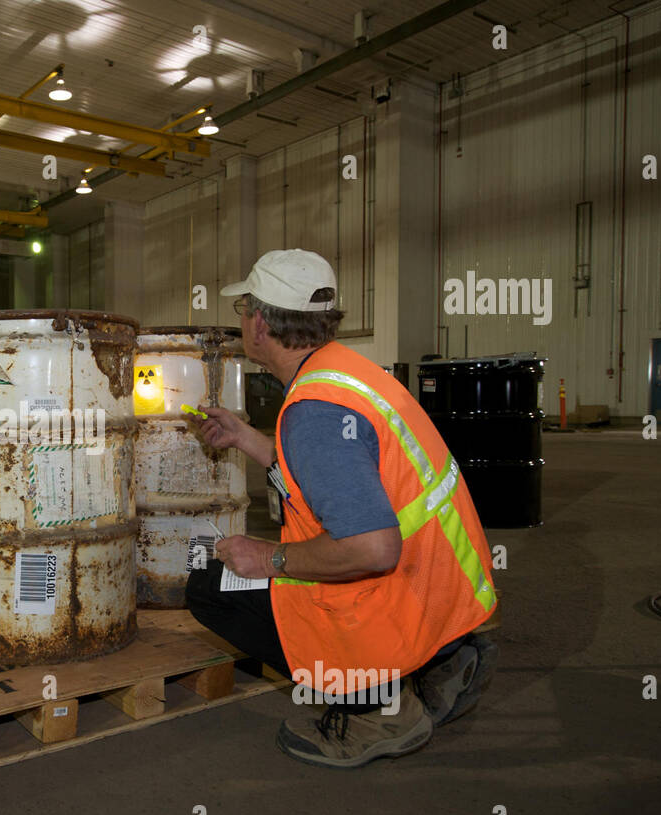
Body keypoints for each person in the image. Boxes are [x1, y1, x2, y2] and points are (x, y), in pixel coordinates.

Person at [186, 249, 499, 768]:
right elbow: (330, 475)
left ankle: (379, 710)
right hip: (442, 591)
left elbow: (370, 548)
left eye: (243, 307)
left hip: (386, 588)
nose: (241, 319)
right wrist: (247, 438)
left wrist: (270, 559)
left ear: (260, 323)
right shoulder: (347, 374)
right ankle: (437, 660)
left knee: (209, 591)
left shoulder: (315, 412)